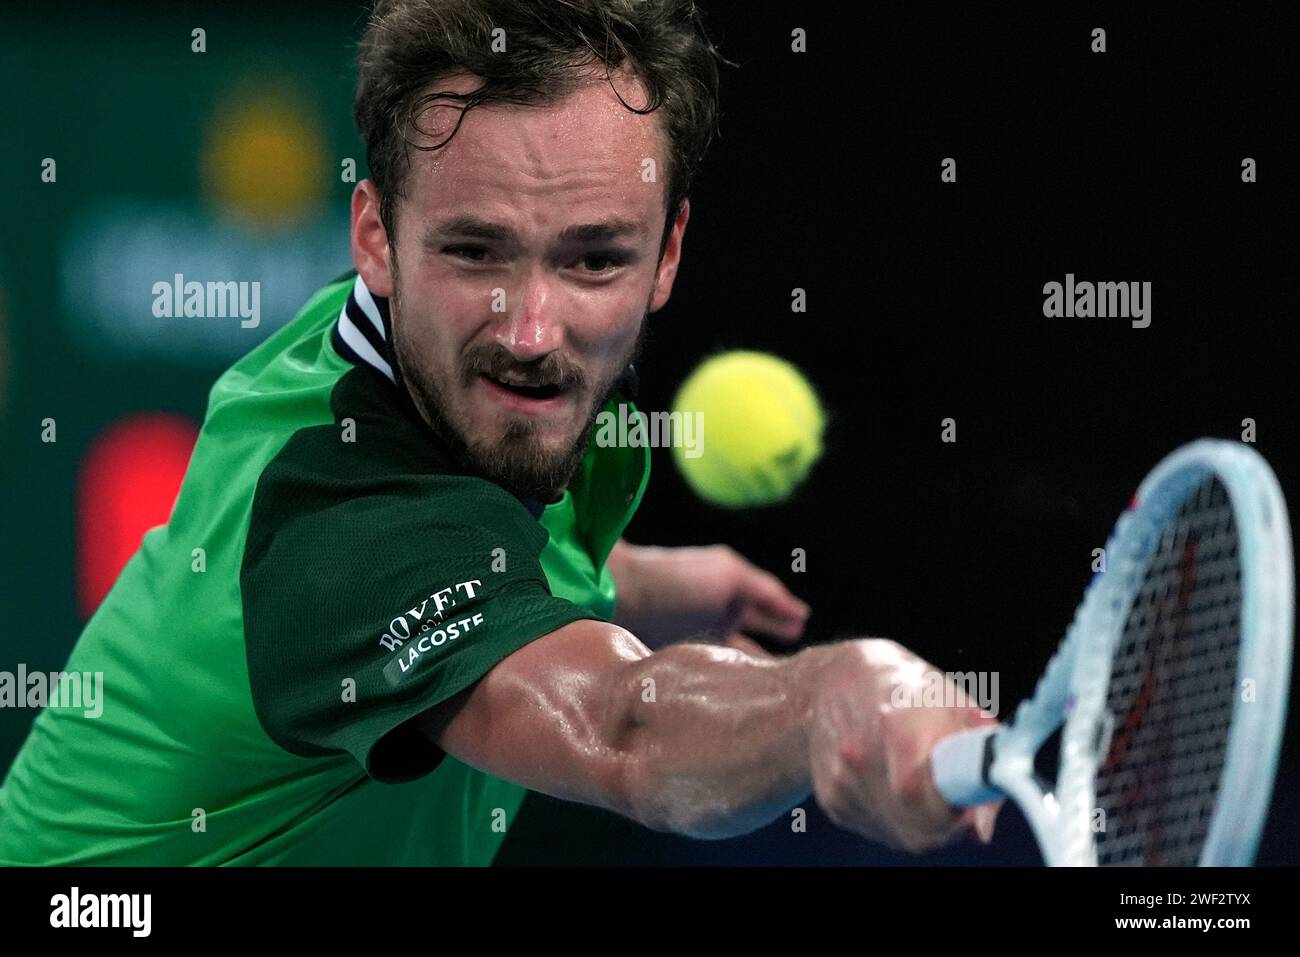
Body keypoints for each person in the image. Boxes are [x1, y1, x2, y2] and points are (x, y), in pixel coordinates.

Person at [0, 0, 999, 865]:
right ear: (374, 236)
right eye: (476, 249)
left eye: (593, 260)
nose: (530, 332)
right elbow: (626, 732)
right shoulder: (341, 523)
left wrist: (634, 586)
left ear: (668, 253)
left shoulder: (406, 363)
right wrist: (831, 693)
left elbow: (479, 553)